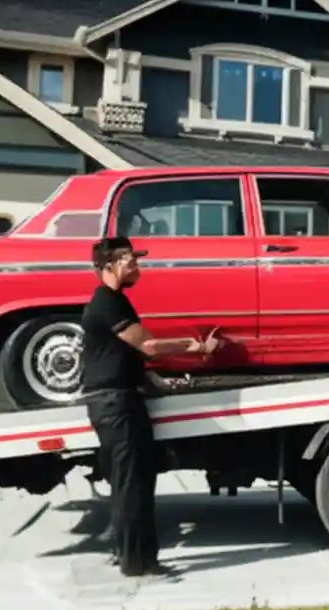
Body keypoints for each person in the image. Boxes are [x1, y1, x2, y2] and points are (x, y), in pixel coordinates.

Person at [81, 236, 223, 577]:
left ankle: (144, 559)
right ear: (110, 265)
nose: (137, 266)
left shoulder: (117, 301)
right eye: (131, 260)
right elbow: (149, 346)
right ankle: (134, 563)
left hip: (125, 399)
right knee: (130, 485)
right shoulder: (106, 303)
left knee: (141, 481)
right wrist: (195, 347)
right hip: (114, 405)